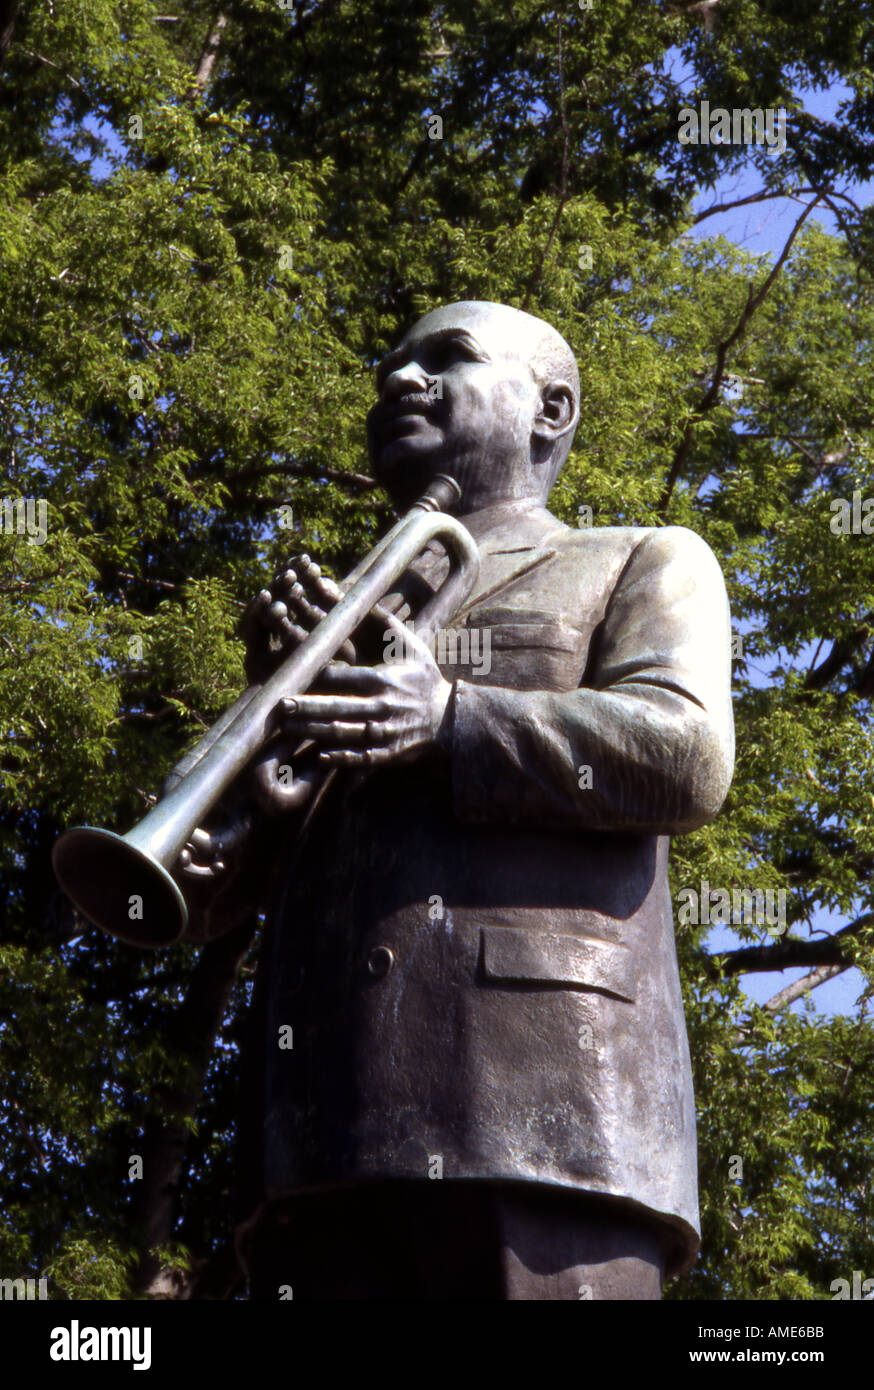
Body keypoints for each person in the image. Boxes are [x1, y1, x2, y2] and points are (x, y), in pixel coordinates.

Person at [191, 301, 735, 1299]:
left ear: (551, 409)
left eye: (448, 358)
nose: (398, 379)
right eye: (391, 362)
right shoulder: (353, 621)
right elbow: (190, 904)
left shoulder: (637, 557)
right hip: (316, 1146)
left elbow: (687, 754)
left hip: (552, 1116)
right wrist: (251, 768)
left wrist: (453, 721)